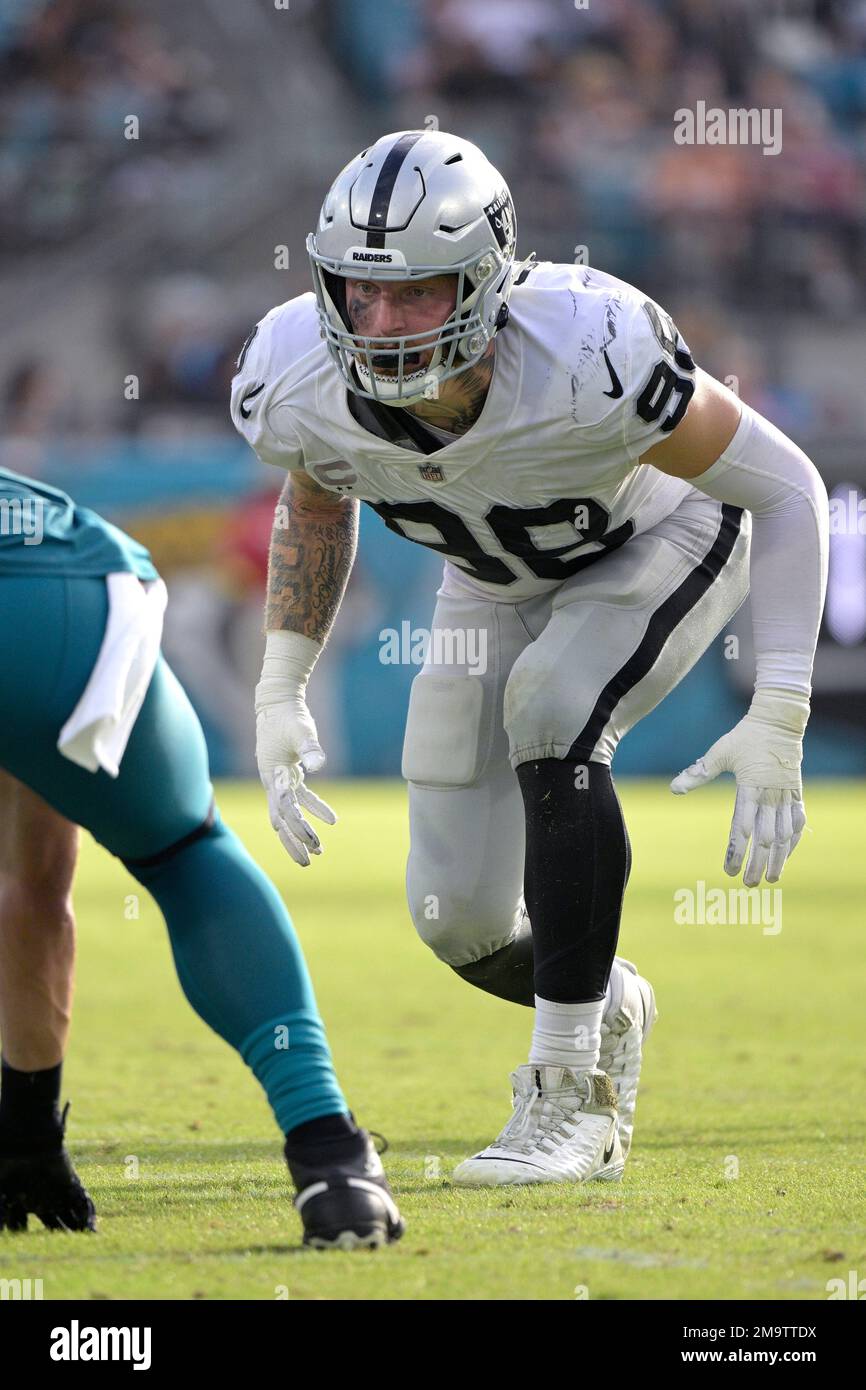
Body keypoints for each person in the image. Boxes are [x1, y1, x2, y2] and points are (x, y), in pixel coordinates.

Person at [232, 130, 828, 1186]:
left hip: (661, 535)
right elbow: (317, 492)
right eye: (358, 292)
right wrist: (280, 682)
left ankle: (568, 1095)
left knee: (552, 709)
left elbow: (783, 488)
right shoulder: (292, 373)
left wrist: (779, 703)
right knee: (453, 917)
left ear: (482, 278)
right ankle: (604, 1001)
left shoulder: (591, 348)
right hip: (491, 583)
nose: (379, 323)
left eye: (415, 293)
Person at [0, 468, 403, 1247]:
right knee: (183, 854)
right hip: (70, 580)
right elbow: (30, 884)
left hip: (69, 575)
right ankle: (333, 1162)